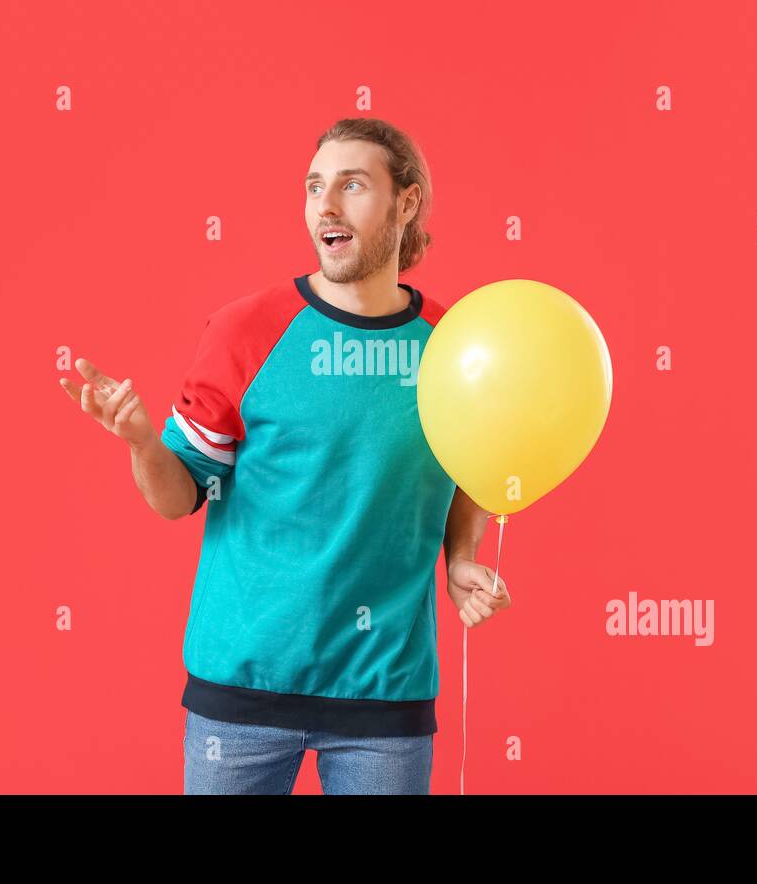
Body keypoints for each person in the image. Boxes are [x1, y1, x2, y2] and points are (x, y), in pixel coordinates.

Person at [60, 117, 511, 794]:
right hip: (242, 691)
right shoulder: (247, 330)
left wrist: (462, 558)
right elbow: (177, 496)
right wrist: (142, 443)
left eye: (352, 185)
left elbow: (470, 467)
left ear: (406, 203)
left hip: (383, 695)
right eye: (313, 187)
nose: (325, 206)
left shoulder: (452, 347)